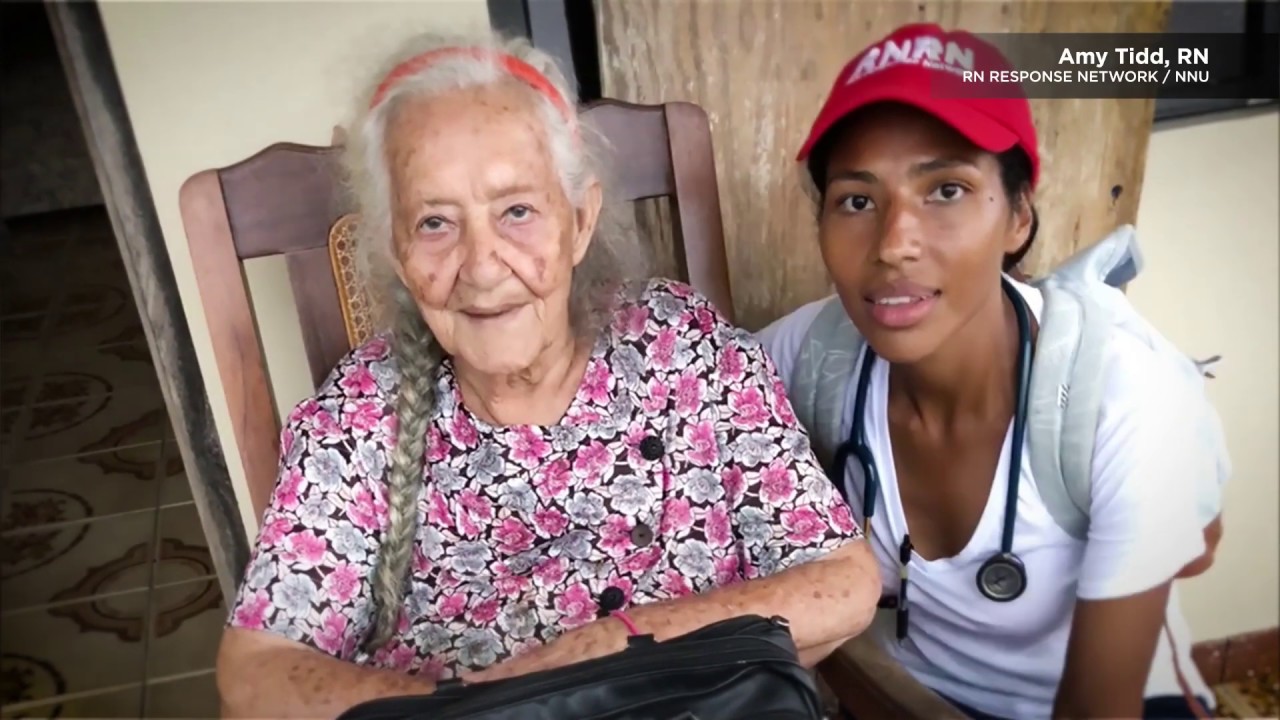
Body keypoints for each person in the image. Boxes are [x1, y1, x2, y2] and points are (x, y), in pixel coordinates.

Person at [215, 31, 881, 718]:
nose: (481, 266)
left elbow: (840, 580)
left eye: (517, 211)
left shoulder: (685, 350)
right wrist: (493, 707)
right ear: (396, 253)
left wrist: (610, 648)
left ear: (580, 221)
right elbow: (257, 671)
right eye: (436, 222)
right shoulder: (358, 420)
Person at [757, 22, 1220, 720]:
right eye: (857, 200)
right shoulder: (815, 354)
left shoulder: (1121, 393)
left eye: (945, 190)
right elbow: (673, 401)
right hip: (908, 699)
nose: (894, 245)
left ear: (1018, 219)